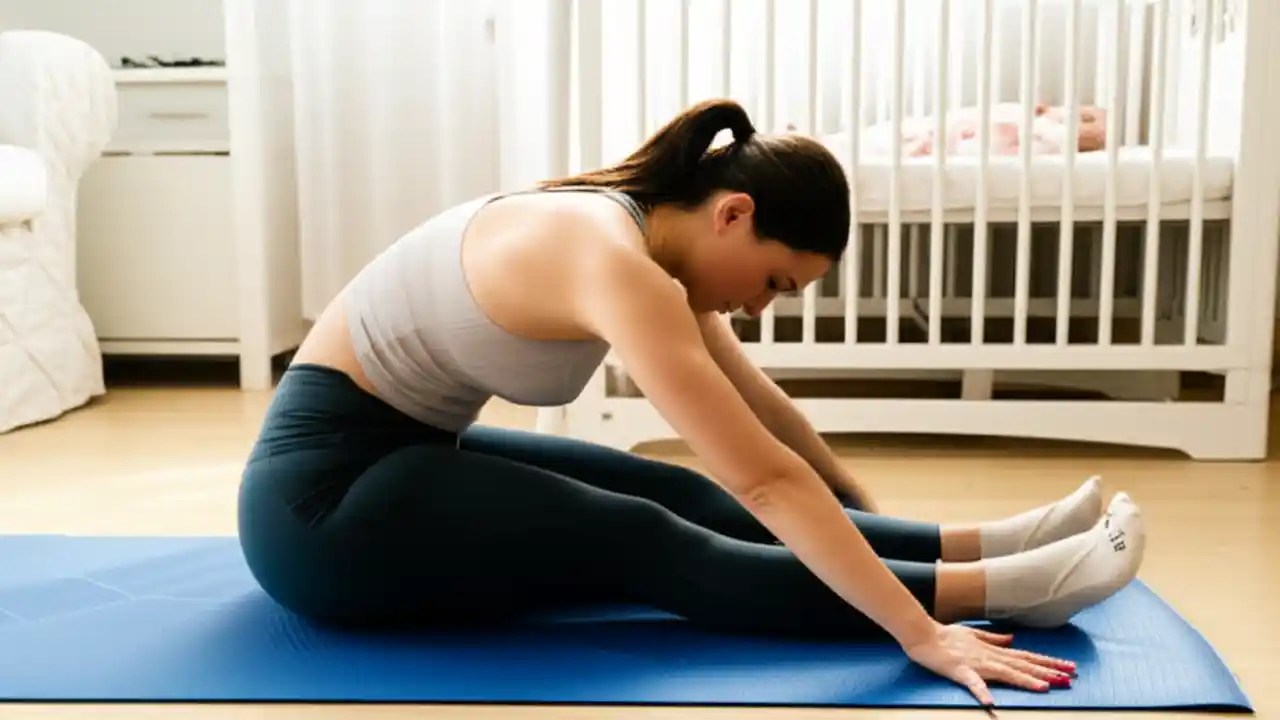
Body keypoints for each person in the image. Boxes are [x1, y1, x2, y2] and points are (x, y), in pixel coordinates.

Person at [237, 98, 1146, 708]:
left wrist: (871, 523)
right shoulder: (609, 261)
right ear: (734, 214)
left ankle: (991, 543)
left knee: (679, 495)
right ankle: (1015, 590)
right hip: (322, 513)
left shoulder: (642, 237)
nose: (761, 306)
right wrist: (922, 630)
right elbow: (764, 482)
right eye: (775, 282)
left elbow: (770, 423)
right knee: (645, 535)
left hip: (403, 455)